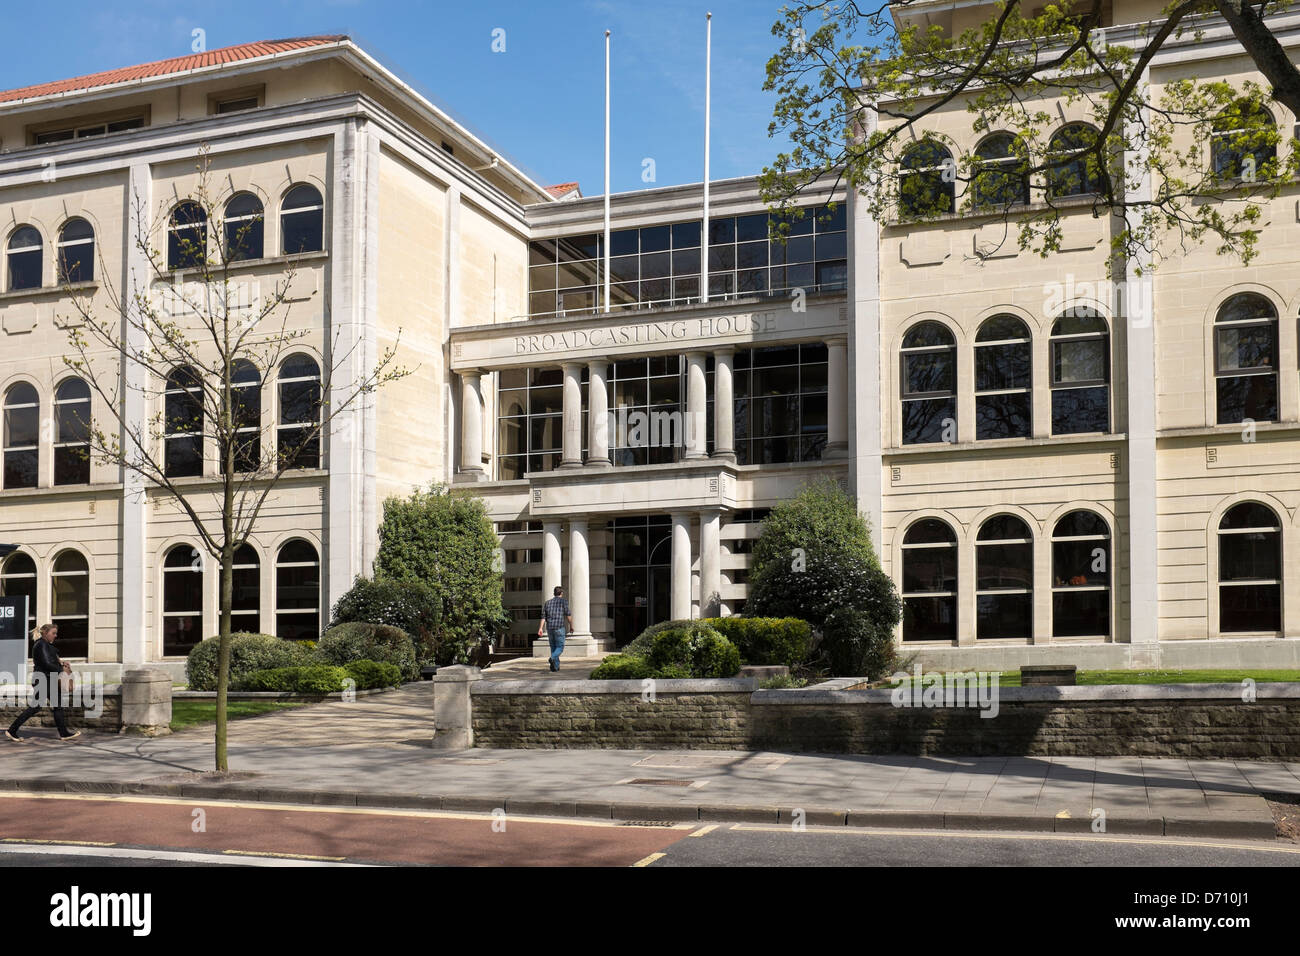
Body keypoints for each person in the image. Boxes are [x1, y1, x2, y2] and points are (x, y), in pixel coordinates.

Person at [6, 624, 81, 742]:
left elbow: (49, 662)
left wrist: (62, 664)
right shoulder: (41, 645)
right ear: (45, 633)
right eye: (53, 633)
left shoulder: (46, 645)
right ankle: (12, 730)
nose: (55, 636)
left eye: (56, 633)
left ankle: (64, 733)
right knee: (36, 707)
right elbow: (46, 663)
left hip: (48, 680)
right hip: (43, 680)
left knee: (57, 706)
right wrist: (61, 670)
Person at [538, 585, 572, 673]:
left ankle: (555, 667)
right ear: (561, 593)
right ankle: (552, 658)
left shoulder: (547, 603)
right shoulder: (564, 602)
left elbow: (543, 617)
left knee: (553, 648)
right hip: (559, 627)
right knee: (560, 647)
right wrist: (571, 626)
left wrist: (540, 628)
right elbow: (568, 615)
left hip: (550, 628)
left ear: (554, 593)